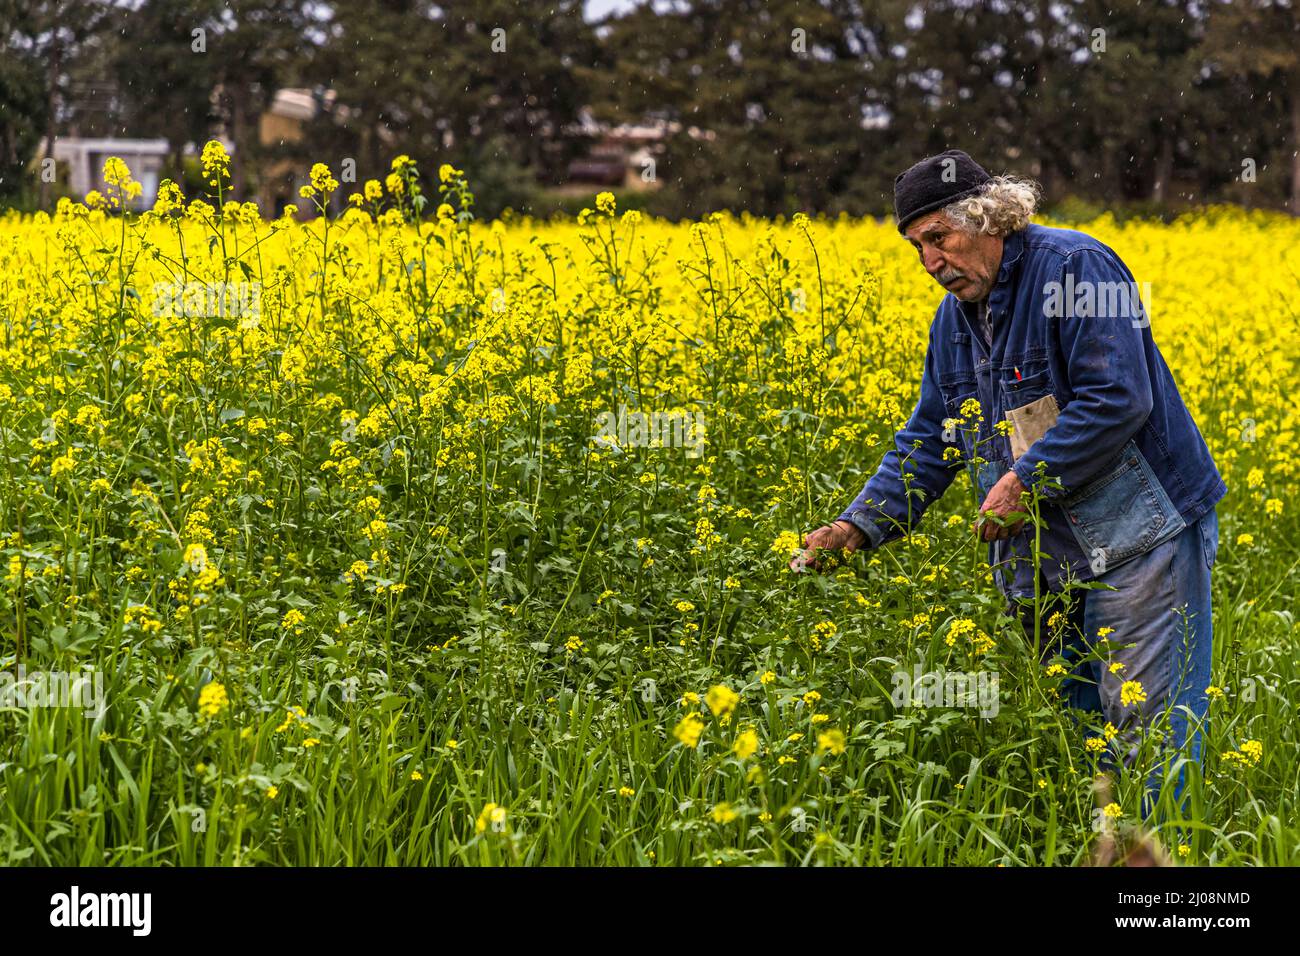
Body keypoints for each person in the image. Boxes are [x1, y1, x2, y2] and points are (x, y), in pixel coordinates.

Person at [797, 149, 1226, 814]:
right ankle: (1107, 847)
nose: (931, 263)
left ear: (988, 217)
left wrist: (1024, 482)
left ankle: (1167, 873)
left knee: (1151, 724)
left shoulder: (1076, 267)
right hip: (1045, 553)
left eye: (939, 239)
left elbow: (1116, 396)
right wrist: (858, 525)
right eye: (917, 247)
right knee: (1080, 727)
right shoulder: (956, 322)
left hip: (1141, 532)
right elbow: (932, 435)